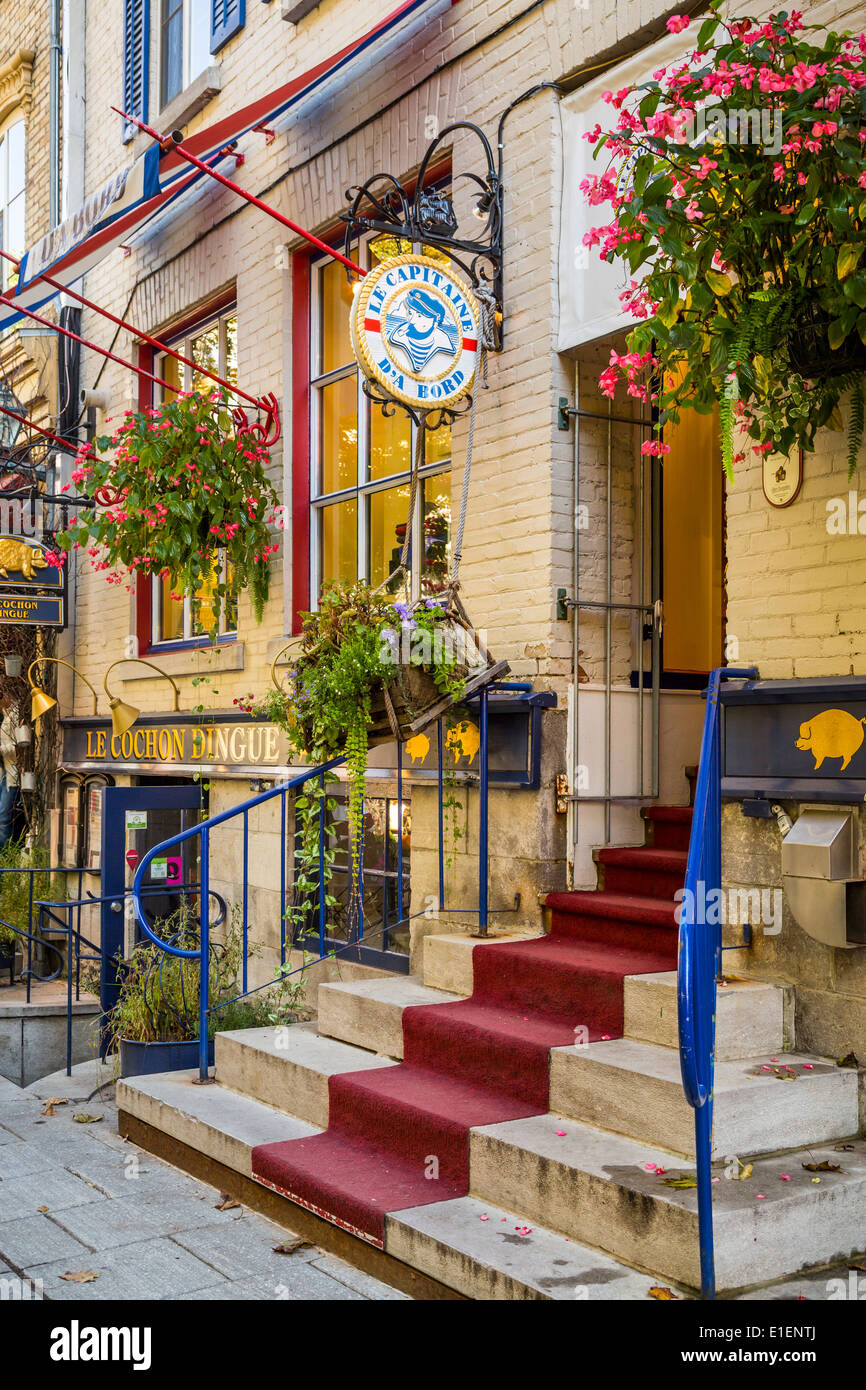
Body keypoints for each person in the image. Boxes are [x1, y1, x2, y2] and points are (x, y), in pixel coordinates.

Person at [386, 288, 457, 373]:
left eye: (420, 316)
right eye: (410, 313)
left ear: (436, 320)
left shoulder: (445, 342)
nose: (412, 321)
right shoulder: (397, 336)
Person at [0, 695, 20, 847]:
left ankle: (5, 860)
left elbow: (20, 748)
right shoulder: (7, 714)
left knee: (4, 819)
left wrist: (1, 750)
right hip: (7, 774)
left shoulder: (16, 714)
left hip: (14, 775)